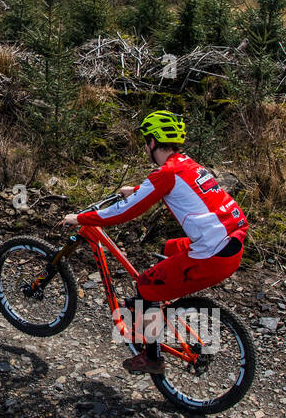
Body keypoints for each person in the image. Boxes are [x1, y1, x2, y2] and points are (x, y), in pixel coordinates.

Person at [61, 110, 249, 375]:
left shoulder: (165, 174)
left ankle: (151, 357)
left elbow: (124, 212)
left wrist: (80, 217)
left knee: (145, 285)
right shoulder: (188, 165)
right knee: (169, 248)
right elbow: (172, 188)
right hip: (232, 242)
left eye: (146, 141)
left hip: (212, 255)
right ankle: (156, 308)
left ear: (152, 142)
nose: (145, 146)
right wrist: (138, 190)